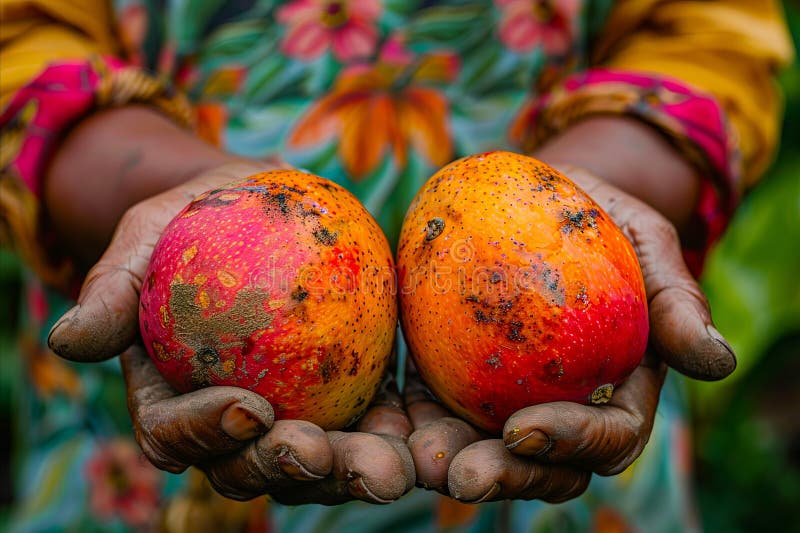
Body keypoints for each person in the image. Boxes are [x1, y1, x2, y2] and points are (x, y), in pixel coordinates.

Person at [0, 0, 793, 531]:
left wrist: (590, 202)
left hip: (557, 371)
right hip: (158, 416)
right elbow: (21, 41)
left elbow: (707, 40)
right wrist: (169, 196)